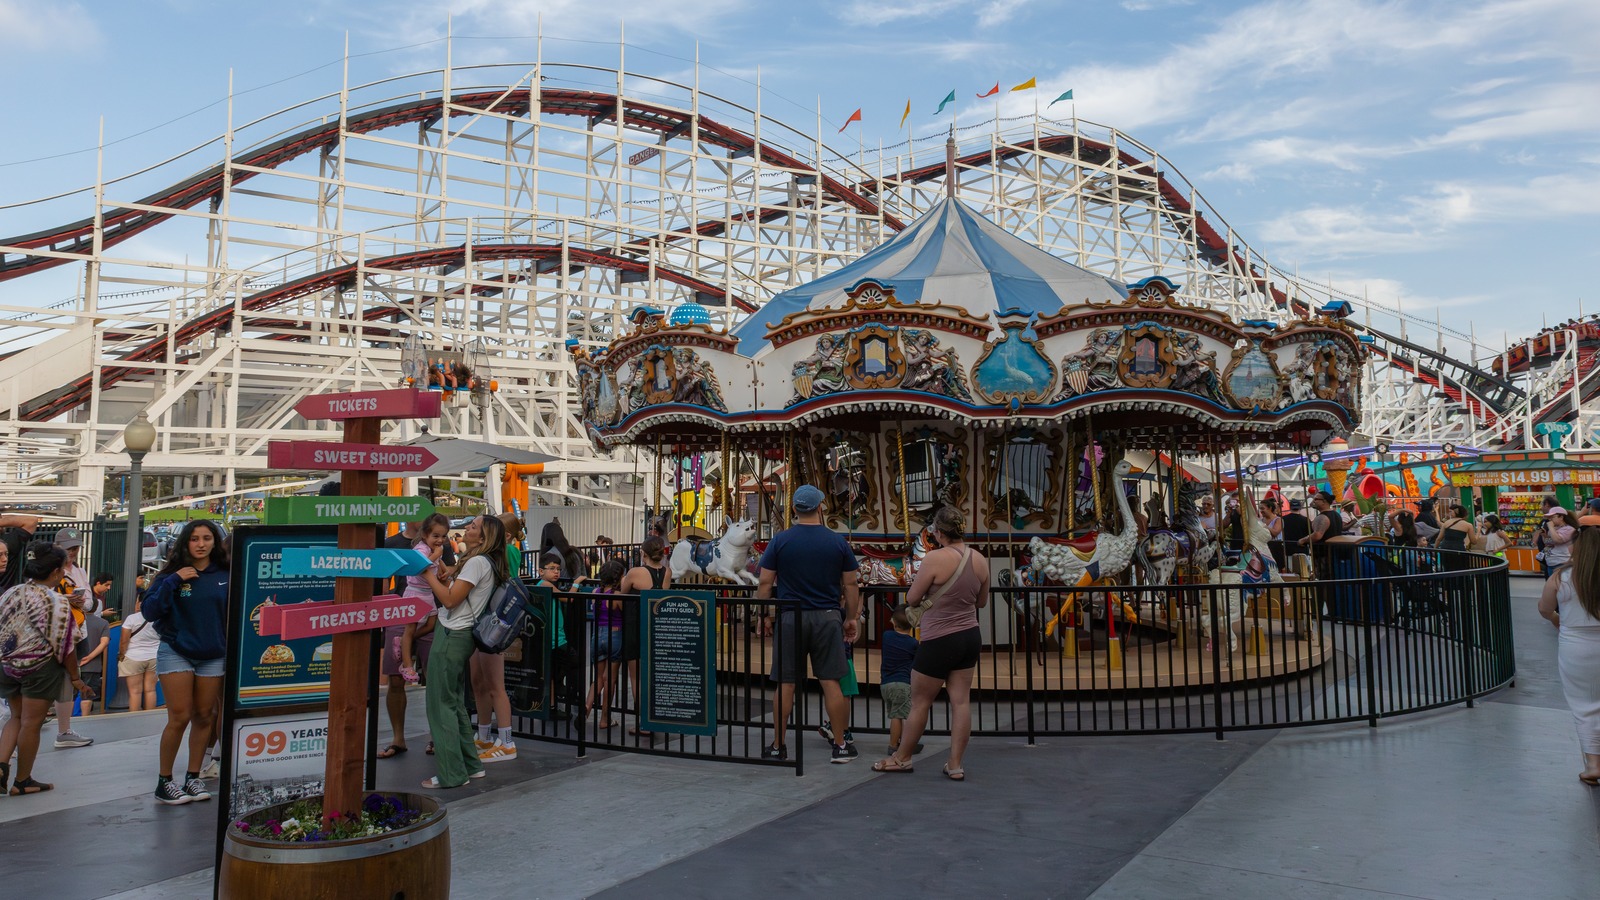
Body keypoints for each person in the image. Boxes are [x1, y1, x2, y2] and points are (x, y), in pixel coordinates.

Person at [872, 506, 988, 780]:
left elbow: (912, 599)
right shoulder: (980, 559)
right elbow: (981, 601)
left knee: (921, 701)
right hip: (970, 635)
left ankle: (902, 758)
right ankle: (956, 764)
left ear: (937, 532)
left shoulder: (935, 559)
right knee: (960, 702)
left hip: (939, 639)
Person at [755, 484, 862, 763]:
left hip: (790, 615)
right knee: (830, 682)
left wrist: (764, 615)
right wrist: (850, 617)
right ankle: (840, 746)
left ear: (793, 509)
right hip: (827, 616)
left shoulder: (780, 541)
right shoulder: (837, 542)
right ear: (820, 507)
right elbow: (851, 584)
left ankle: (778, 746)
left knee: (786, 683)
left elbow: (766, 582)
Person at [142, 519, 230, 805]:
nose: (201, 544)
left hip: (213, 654)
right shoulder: (169, 575)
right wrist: (174, 580)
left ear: (215, 542)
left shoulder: (227, 574)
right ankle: (164, 781)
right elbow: (150, 611)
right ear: (185, 543)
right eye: (195, 539)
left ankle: (193, 777)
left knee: (204, 716)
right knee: (179, 717)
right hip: (176, 651)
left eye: (207, 538)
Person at [0, 541, 93, 796]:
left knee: (16, 718)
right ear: (55, 572)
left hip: (8, 665)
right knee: (32, 722)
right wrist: (75, 678)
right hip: (38, 669)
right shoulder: (57, 602)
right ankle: (22, 780)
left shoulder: (11, 592)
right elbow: (66, 646)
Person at [420, 514, 502, 788]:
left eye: (474, 526)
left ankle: (451, 774)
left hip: (453, 633)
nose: (467, 527)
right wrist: (443, 578)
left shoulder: (476, 562)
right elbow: (456, 595)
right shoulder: (485, 562)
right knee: (453, 702)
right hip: (462, 634)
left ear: (483, 537)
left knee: (439, 704)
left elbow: (450, 601)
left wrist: (426, 573)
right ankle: (470, 765)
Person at [378, 513, 451, 759]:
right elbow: (381, 577)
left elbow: (446, 570)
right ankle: (398, 738)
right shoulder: (391, 543)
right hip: (401, 610)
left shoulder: (440, 544)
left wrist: (445, 570)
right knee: (395, 679)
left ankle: (436, 737)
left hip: (431, 608)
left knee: (435, 679)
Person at [1537, 528, 1600, 786]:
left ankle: (1594, 764)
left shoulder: (1560, 577)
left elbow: (1544, 609)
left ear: (1576, 548)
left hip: (1576, 645)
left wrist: (1558, 621)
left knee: (1584, 706)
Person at [467, 516, 518, 764]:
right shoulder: (481, 559)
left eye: (473, 526)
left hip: (490, 628)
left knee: (495, 685)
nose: (467, 528)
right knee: (479, 682)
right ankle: (485, 735)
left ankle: (507, 742)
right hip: (480, 627)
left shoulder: (487, 562)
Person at [619, 535, 670, 737]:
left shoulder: (635, 572)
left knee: (636, 676)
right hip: (656, 627)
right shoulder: (667, 572)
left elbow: (622, 593)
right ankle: (655, 716)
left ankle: (643, 721)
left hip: (635, 625)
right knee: (653, 675)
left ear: (643, 553)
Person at [586, 559, 627, 729]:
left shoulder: (596, 592)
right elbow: (626, 614)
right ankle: (604, 718)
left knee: (598, 679)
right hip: (615, 635)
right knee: (610, 679)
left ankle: (586, 709)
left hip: (598, 635)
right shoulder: (618, 596)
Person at [879, 603, 918, 757]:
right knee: (899, 715)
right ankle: (893, 746)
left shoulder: (886, 637)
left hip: (885, 684)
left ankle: (901, 741)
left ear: (893, 622)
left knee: (896, 713)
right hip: (902, 683)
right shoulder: (913, 643)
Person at [118, 592, 162, 710]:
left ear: (141, 603)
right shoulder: (159, 618)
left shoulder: (131, 618)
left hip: (133, 657)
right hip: (154, 657)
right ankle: (149, 717)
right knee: (151, 690)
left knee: (135, 692)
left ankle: (134, 719)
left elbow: (124, 640)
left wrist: (121, 655)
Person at [74, 597, 111, 716]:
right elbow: (104, 643)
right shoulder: (103, 623)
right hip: (93, 665)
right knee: (87, 694)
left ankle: (67, 721)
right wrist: (89, 657)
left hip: (72, 663)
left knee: (69, 694)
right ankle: (85, 718)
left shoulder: (74, 620)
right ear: (96, 608)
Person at [1299, 492, 1344, 579]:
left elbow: (1317, 535)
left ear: (1324, 501)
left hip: (1323, 555)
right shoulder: (1336, 515)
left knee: (1323, 580)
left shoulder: (1322, 517)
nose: (1313, 501)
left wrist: (1303, 540)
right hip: (1334, 553)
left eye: (1316, 499)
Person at [0, 512, 39, 590]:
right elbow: (31, 521)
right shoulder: (9, 541)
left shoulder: (8, 541)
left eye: (6, 554)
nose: (4, 559)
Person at [1543, 508, 1578, 573]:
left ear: (1561, 517)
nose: (1550, 520)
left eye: (1552, 517)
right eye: (1549, 518)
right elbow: (1547, 542)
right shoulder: (1554, 529)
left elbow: (1558, 540)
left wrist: (1551, 527)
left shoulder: (1569, 529)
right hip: (1551, 563)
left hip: (1562, 562)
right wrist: (1544, 536)